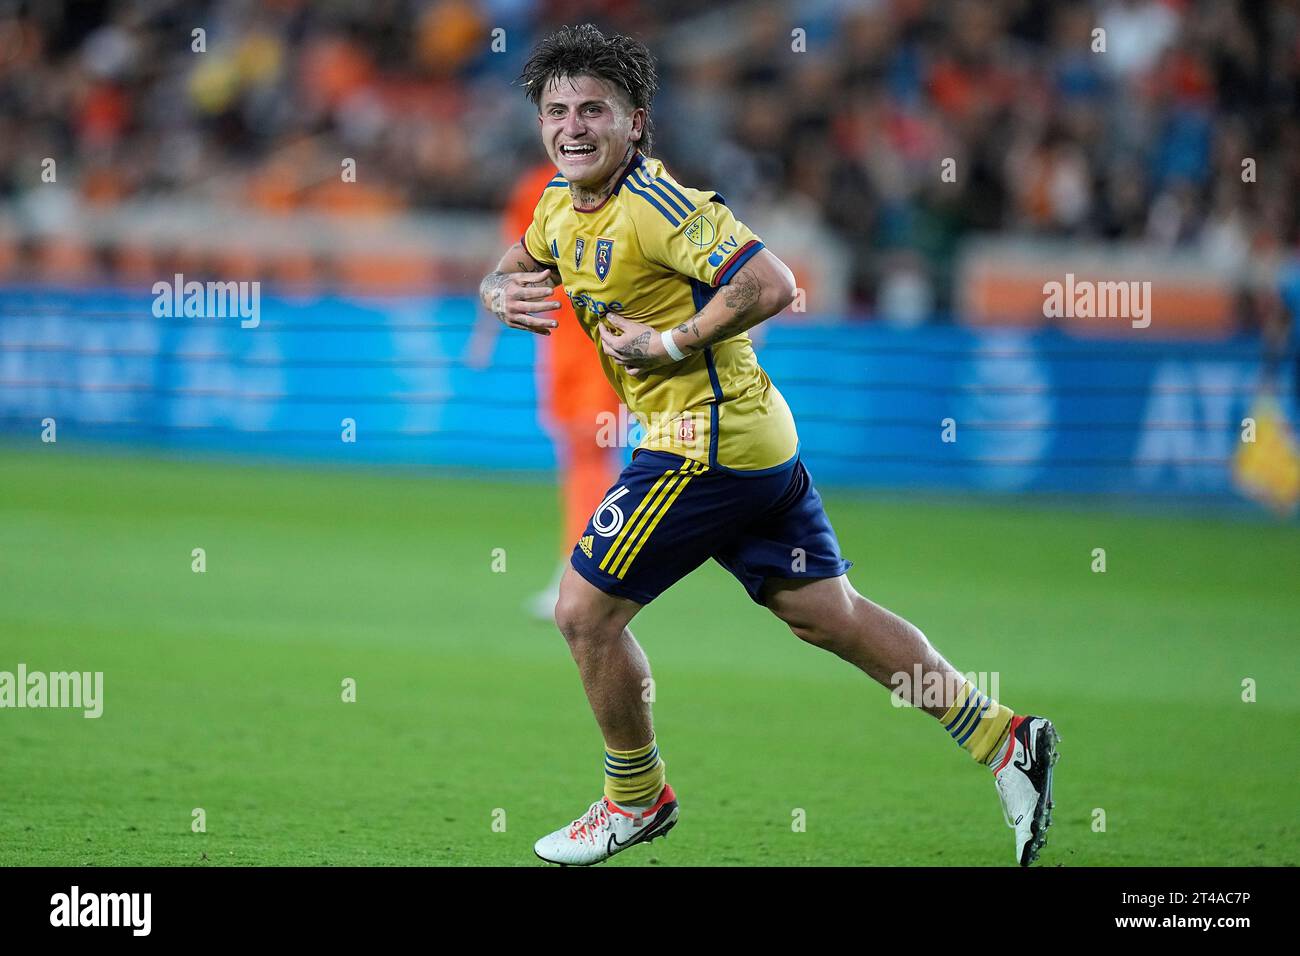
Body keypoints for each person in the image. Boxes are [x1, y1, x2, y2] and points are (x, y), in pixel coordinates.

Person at [477, 24, 1058, 867]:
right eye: (556, 110)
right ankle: (1005, 740)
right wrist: (498, 291)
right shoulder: (559, 203)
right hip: (753, 440)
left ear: (635, 122)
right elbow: (518, 262)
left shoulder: (662, 206)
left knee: (582, 613)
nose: (572, 126)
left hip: (703, 443)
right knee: (831, 616)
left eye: (594, 110)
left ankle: (633, 798)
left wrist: (672, 344)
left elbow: (774, 283)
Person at [467, 164, 622, 619]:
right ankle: (590, 568)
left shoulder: (635, 182)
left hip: (612, 342)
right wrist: (486, 330)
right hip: (560, 342)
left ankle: (586, 571)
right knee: (578, 451)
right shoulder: (538, 189)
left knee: (593, 450)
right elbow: (512, 263)